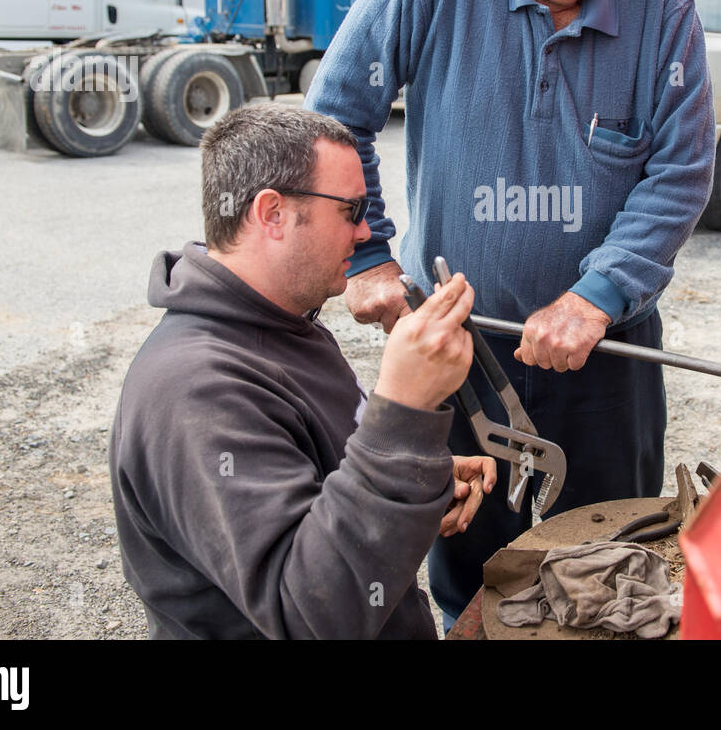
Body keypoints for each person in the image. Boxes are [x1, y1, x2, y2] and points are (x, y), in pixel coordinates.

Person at [309, 0, 715, 625]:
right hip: (462, 348)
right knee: (470, 569)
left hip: (609, 355)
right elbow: (333, 115)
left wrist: (596, 296)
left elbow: (679, 172)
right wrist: (365, 250)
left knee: (614, 570)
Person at [109, 102, 495, 639]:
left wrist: (411, 477)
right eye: (351, 210)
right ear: (272, 214)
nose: (365, 234)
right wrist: (403, 412)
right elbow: (312, 616)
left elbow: (319, 489)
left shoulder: (286, 324)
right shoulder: (196, 392)